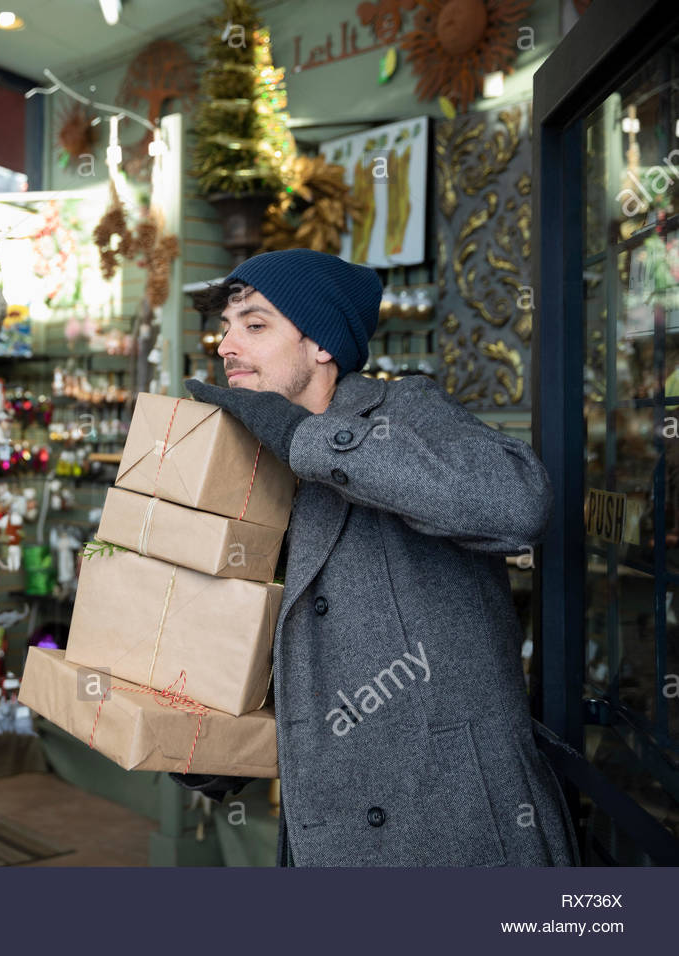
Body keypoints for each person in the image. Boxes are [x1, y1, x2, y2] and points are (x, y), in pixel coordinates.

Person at [172, 249, 579, 867]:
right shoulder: (253, 471)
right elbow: (291, 648)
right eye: (226, 328)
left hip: (454, 832)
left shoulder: (401, 412)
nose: (226, 345)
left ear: (323, 346)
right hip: (329, 837)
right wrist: (221, 750)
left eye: (255, 325)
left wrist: (301, 435)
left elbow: (518, 505)